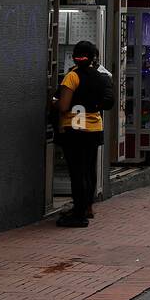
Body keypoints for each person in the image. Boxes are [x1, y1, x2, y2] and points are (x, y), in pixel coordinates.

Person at [51, 40, 106, 228]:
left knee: (77, 172)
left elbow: (64, 105)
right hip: (94, 128)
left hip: (75, 129)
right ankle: (87, 208)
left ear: (75, 56)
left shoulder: (72, 77)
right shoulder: (100, 77)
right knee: (88, 170)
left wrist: (53, 103)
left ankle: (78, 214)